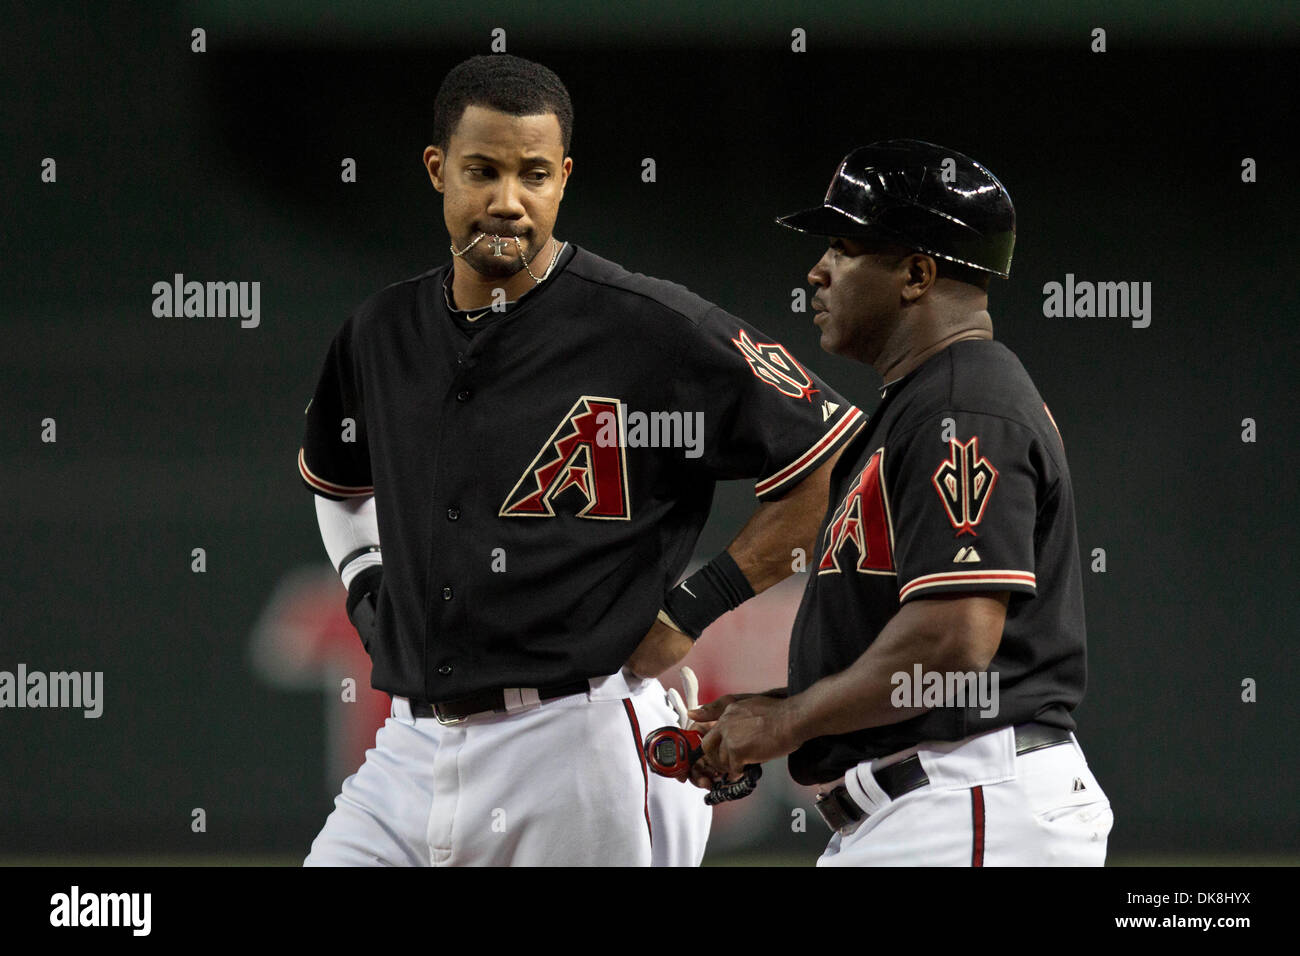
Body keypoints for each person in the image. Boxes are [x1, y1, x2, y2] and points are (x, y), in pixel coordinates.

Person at [295, 54, 863, 866]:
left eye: (533, 174)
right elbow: (337, 484)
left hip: (575, 738)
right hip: (409, 746)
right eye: (481, 170)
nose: (507, 200)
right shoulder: (380, 332)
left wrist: (692, 609)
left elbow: (833, 460)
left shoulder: (648, 327)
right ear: (437, 171)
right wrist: (362, 581)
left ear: (563, 178)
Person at [690, 140, 1113, 866]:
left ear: (917, 273)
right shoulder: (925, 405)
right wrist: (778, 705)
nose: (817, 271)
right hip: (934, 806)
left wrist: (790, 719)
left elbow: (953, 644)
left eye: (845, 249)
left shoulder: (965, 406)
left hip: (967, 802)